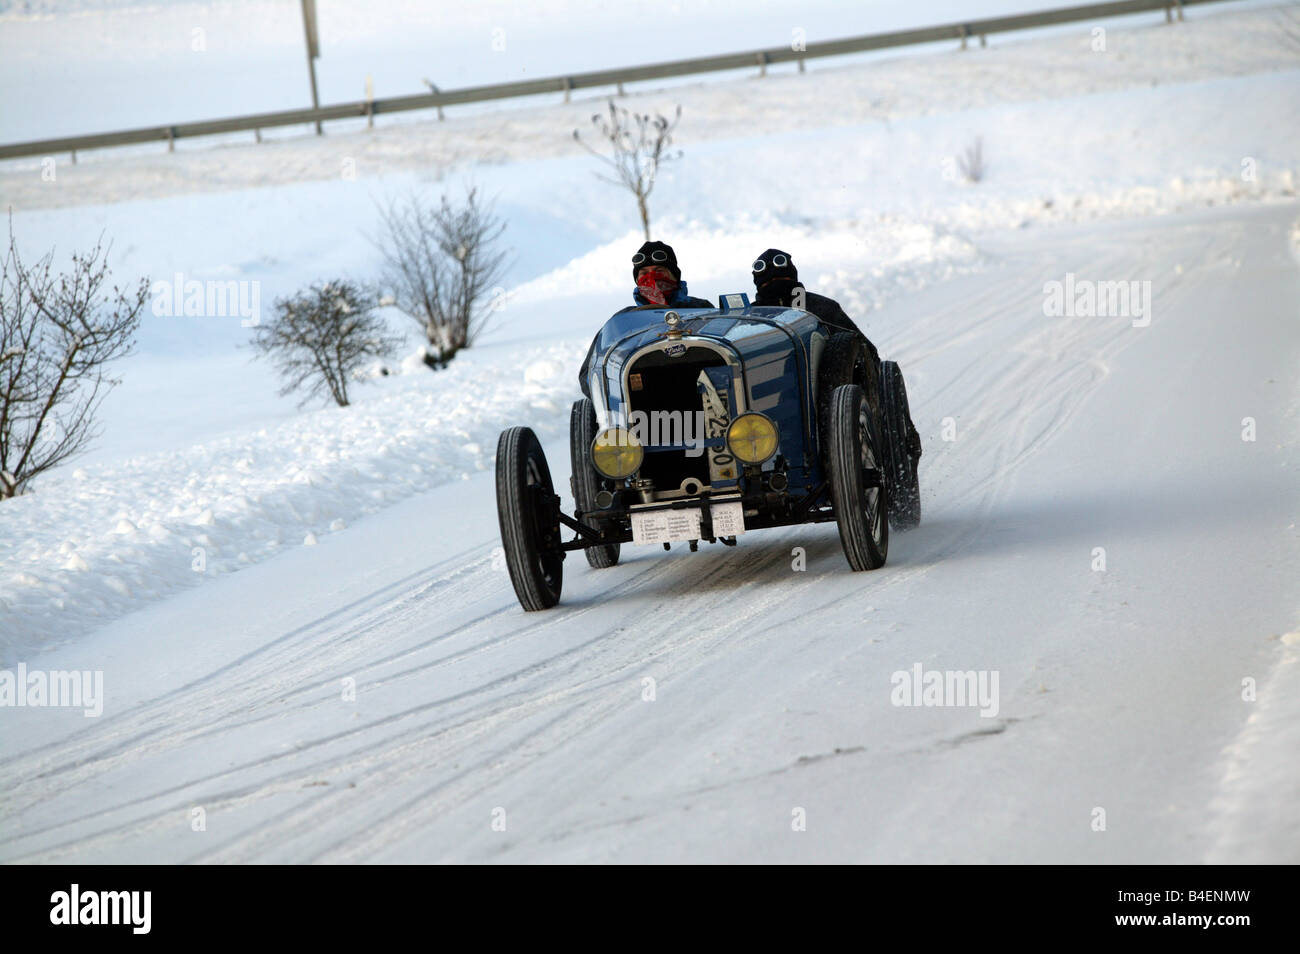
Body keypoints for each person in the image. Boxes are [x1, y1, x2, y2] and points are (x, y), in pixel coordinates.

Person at [752, 248, 921, 459]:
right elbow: (869, 354)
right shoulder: (756, 318)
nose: (775, 282)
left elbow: (864, 355)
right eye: (769, 279)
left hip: (828, 411)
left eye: (780, 275)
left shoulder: (817, 309)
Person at [578, 241, 712, 398]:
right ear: (637, 280)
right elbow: (589, 375)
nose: (651, 277)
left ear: (674, 275)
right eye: (644, 273)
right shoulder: (624, 321)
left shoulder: (700, 309)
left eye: (659, 270)